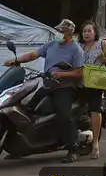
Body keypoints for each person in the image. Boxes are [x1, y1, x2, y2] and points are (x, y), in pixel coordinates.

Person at [4, 19, 84, 162]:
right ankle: (21, 147)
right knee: (27, 110)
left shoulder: (76, 49)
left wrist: (61, 74)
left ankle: (73, 148)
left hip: (64, 88)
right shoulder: (50, 45)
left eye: (61, 31)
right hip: (48, 85)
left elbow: (79, 72)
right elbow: (33, 55)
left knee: (64, 116)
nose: (58, 33)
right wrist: (17, 61)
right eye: (58, 30)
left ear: (69, 34)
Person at [79, 20, 106, 160]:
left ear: (95, 33)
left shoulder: (102, 44)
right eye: (84, 31)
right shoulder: (79, 46)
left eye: (89, 31)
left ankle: (95, 144)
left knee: (95, 110)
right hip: (80, 82)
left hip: (95, 82)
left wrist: (104, 58)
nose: (86, 33)